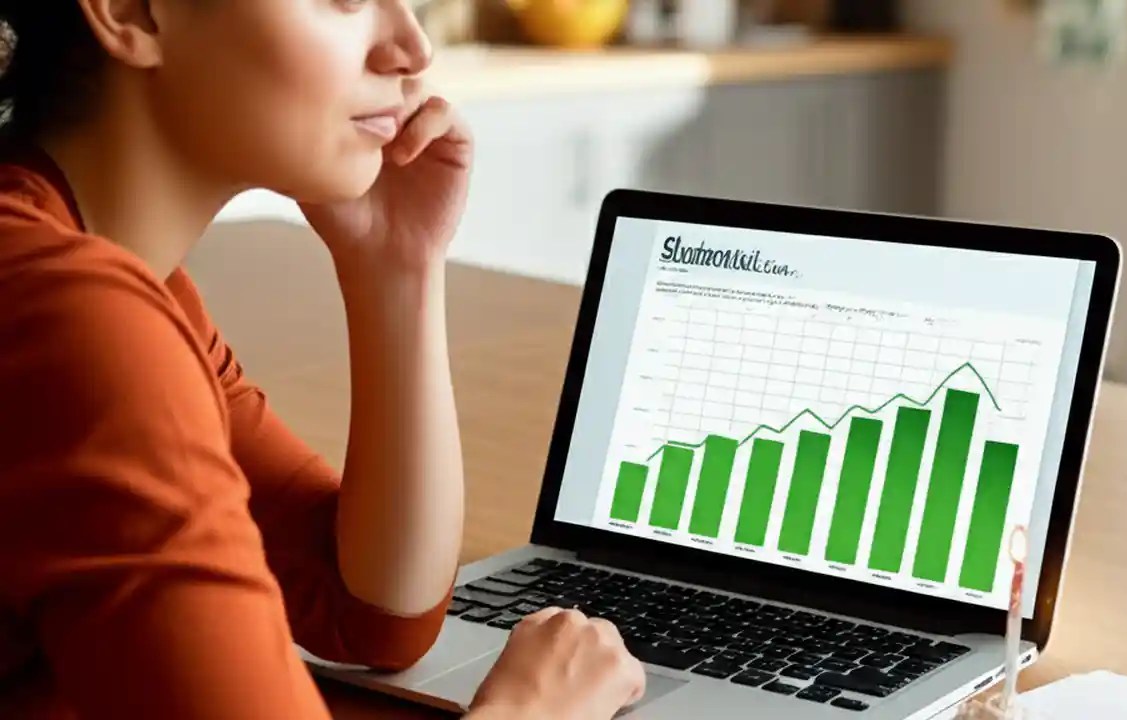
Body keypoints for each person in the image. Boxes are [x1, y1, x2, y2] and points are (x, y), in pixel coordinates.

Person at [0, 1, 645, 719]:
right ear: (132, 13)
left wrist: (397, 267)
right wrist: (535, 710)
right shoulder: (69, 313)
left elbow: (372, 610)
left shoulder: (117, 277)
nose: (411, 46)